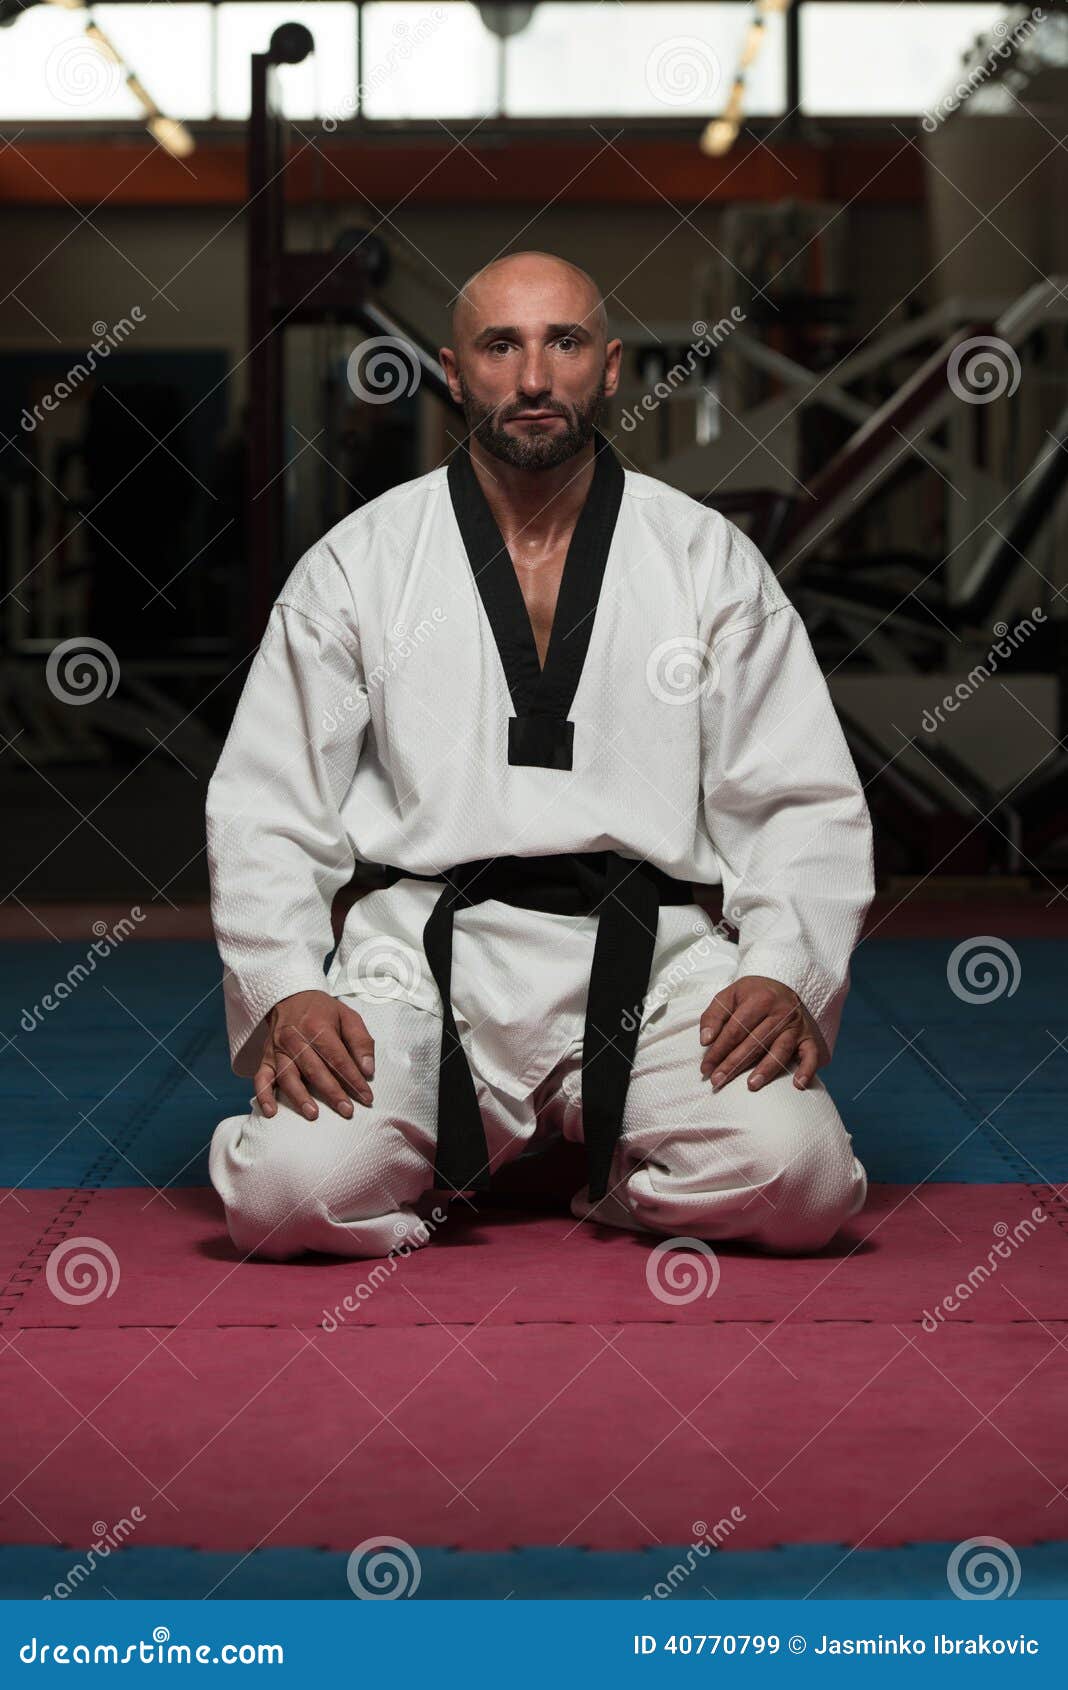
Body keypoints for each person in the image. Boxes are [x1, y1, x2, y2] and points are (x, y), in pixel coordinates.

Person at [206, 250, 874, 1263]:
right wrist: (289, 983)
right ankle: (476, 1145)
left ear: (608, 369)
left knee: (801, 1184)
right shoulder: (360, 562)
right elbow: (266, 800)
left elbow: (796, 795)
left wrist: (785, 965)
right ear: (452, 369)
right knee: (291, 1195)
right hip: (427, 959)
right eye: (500, 345)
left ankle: (608, 1169)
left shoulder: (705, 559)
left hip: (659, 956)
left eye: (562, 343)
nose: (531, 377)